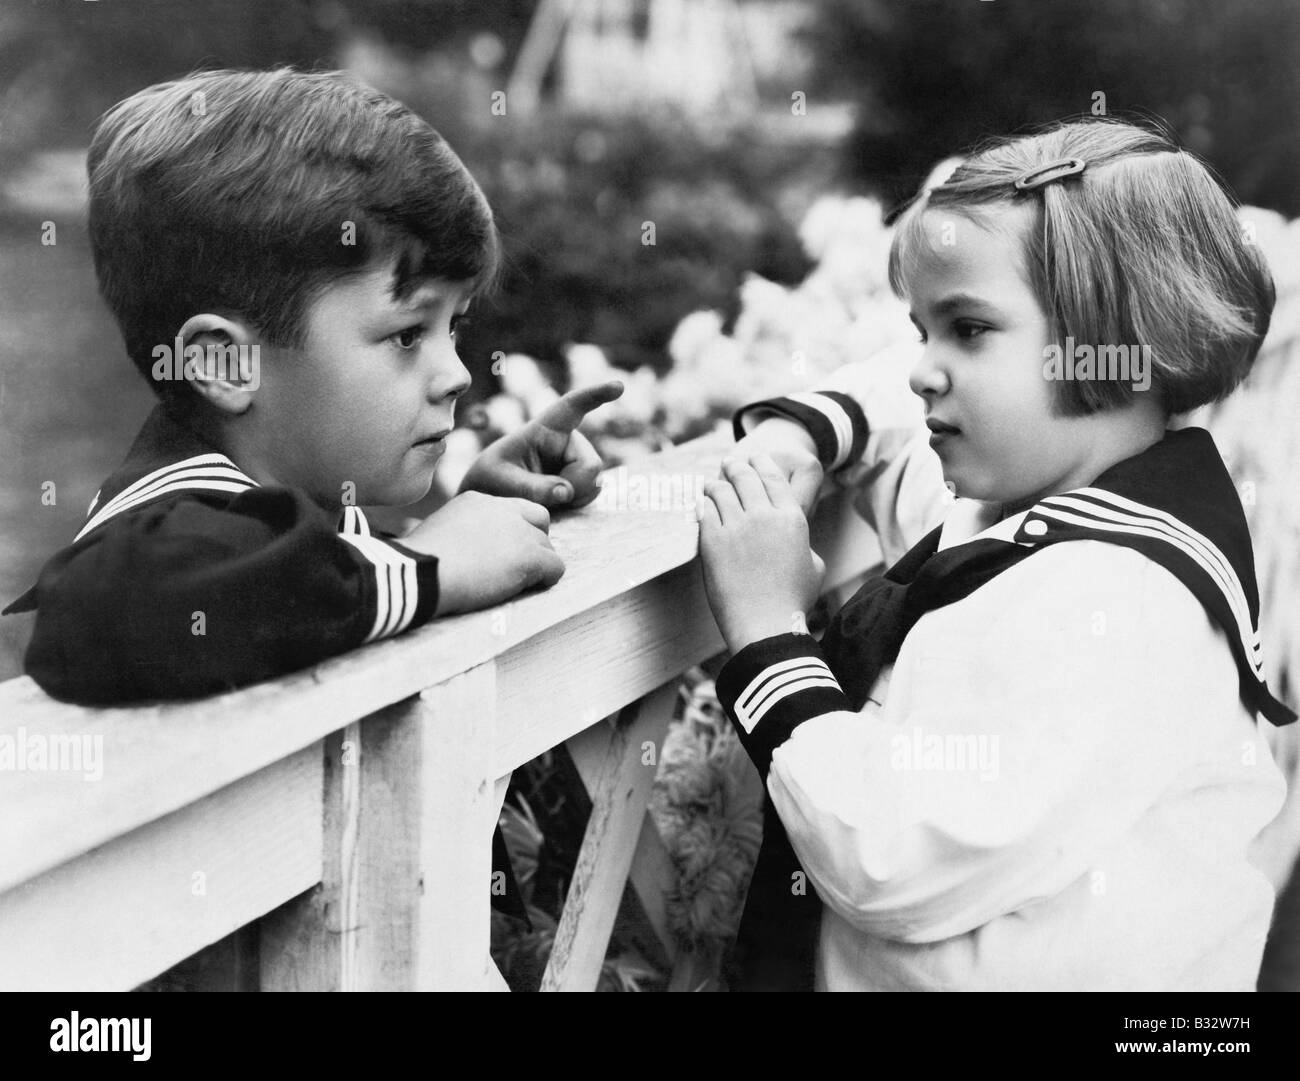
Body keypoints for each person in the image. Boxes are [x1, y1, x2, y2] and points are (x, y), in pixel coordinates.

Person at [698, 117, 1295, 991]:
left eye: (968, 330)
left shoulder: (1115, 607)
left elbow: (885, 854)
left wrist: (766, 630)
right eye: (921, 330)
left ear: (1123, 349)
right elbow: (900, 423)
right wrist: (804, 431)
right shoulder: (1023, 507)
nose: (920, 370)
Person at [5, 68, 621, 706]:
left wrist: (480, 513)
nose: (458, 375)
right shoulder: (167, 526)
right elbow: (91, 614)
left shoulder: (298, 510)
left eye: (455, 326)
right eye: (408, 334)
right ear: (224, 365)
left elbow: (305, 580)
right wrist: (434, 567)